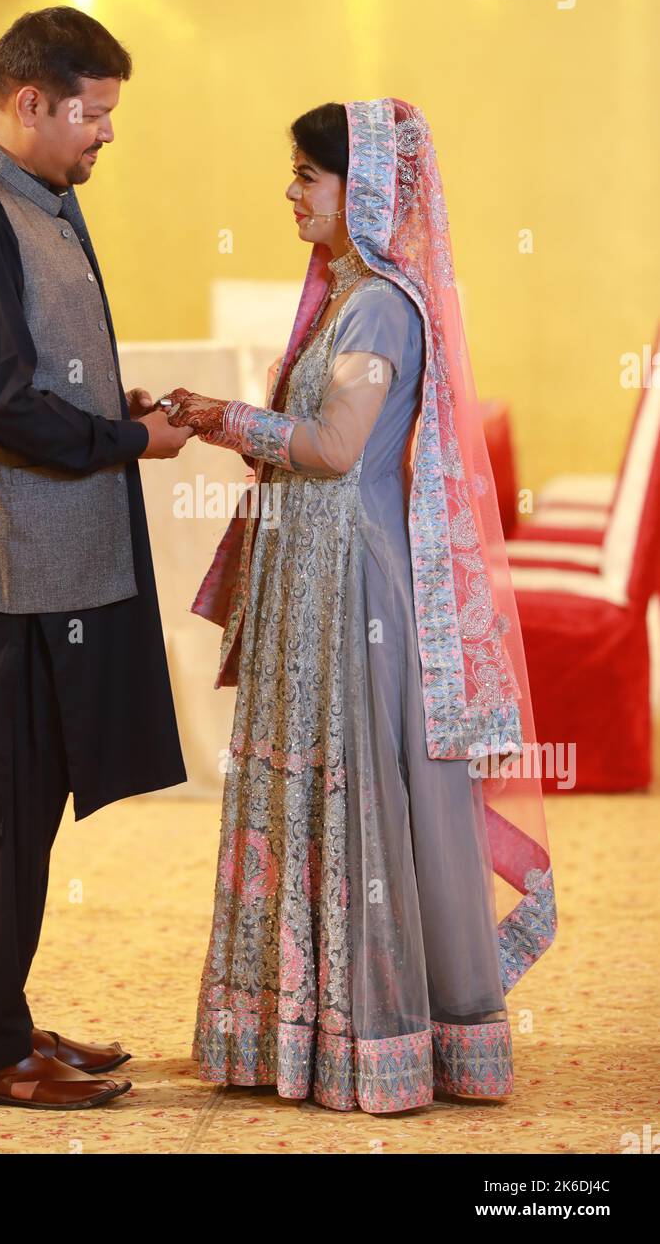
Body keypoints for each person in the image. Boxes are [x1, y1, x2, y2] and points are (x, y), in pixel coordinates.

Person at [165, 98, 557, 1113]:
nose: (291, 192)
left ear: (364, 189)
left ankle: (369, 1033)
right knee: (315, 794)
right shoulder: (346, 295)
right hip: (317, 580)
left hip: (353, 588)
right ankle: (296, 1029)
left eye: (306, 174)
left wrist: (222, 420)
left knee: (357, 798)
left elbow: (337, 447)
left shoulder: (380, 304)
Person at [0, 7, 192, 1111]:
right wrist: (123, 442)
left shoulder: (35, 198)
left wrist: (117, 408)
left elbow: (37, 374)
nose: (105, 135)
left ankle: (1, 1021)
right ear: (29, 102)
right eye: (92, 114)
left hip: (36, 569)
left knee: (23, 809)